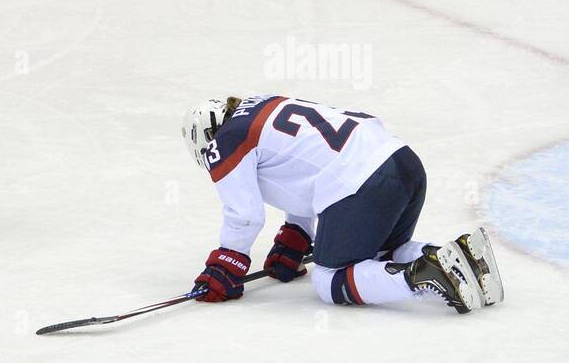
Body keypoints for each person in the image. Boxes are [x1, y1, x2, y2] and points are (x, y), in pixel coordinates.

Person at [182, 96, 504, 313]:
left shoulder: (224, 141)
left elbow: (244, 215)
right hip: (405, 163)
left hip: (366, 182)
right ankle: (458, 257)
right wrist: (295, 234)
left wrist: (227, 264)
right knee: (376, 255)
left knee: (327, 279)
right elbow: (300, 165)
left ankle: (421, 276)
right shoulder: (265, 105)